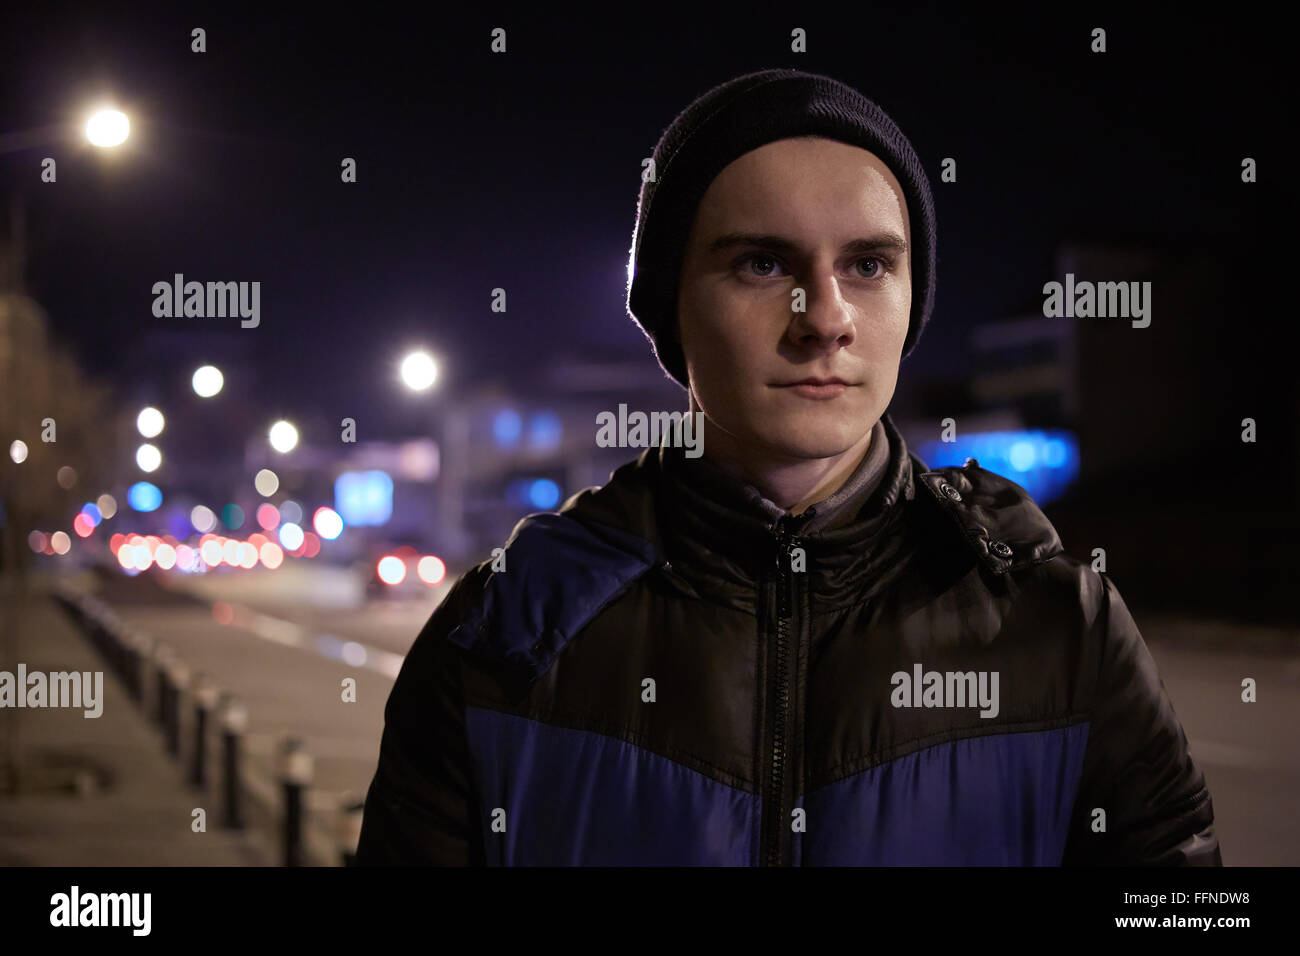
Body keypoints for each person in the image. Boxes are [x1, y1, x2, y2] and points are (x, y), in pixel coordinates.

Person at [355, 67, 1220, 866]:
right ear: (671, 307)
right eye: (763, 264)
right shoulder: (507, 636)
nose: (826, 318)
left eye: (869, 264)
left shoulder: (1058, 626)